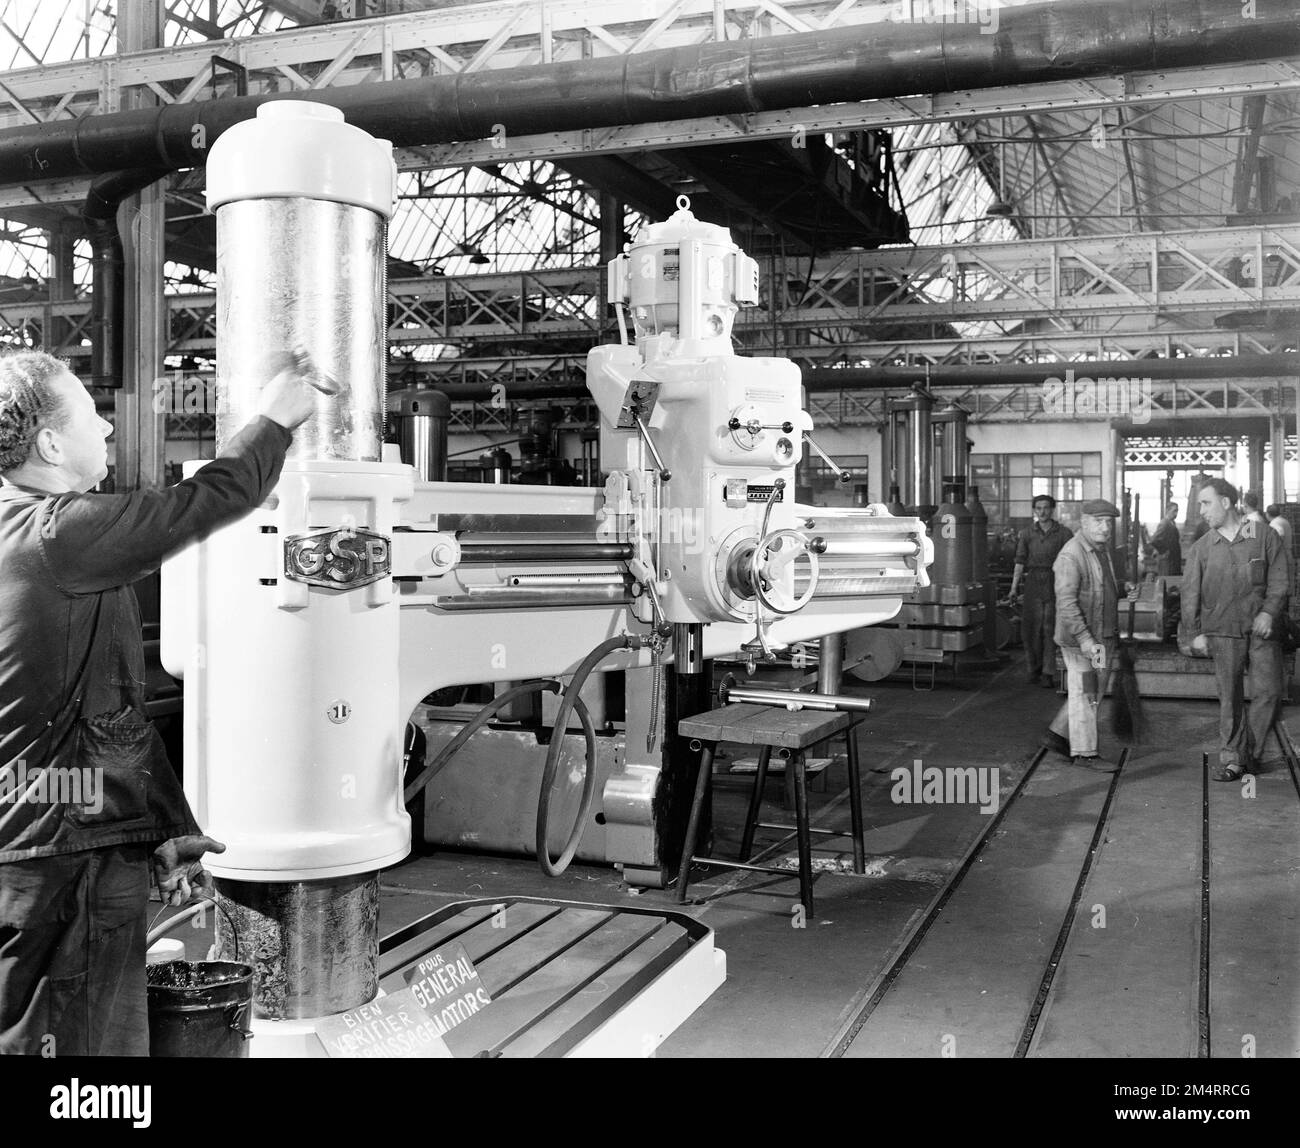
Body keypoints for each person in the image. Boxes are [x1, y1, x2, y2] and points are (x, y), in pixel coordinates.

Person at [0, 349, 314, 1056]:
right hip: (63, 855)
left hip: (51, 839)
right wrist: (274, 423)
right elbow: (197, 504)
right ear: (51, 444)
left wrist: (161, 829)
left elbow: (106, 712)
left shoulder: (27, 536)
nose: (110, 429)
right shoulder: (58, 535)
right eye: (91, 415)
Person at [1182, 478, 1289, 782]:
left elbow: (1281, 580)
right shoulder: (1203, 547)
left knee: (1268, 692)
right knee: (1229, 697)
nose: (1201, 510)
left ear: (1226, 502)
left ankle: (1249, 756)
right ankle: (1232, 759)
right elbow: (1190, 593)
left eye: (1206, 503)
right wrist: (1193, 632)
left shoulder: (1263, 536)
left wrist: (1269, 612)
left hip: (1261, 629)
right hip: (1222, 629)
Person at [1042, 499, 1132, 773]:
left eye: (1109, 522)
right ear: (1083, 523)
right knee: (1087, 693)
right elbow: (1067, 602)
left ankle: (1056, 735)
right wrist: (1085, 639)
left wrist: (1123, 588)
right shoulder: (1072, 555)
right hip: (1083, 640)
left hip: (1102, 637)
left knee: (1090, 691)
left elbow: (1100, 588)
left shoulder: (1100, 551)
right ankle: (1085, 753)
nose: (1105, 528)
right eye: (1099, 522)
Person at [1008, 494, 1071, 687]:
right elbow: (1020, 561)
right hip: (1033, 581)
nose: (1042, 512)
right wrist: (1013, 588)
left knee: (1049, 628)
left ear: (1052, 509)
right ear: (1034, 510)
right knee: (1030, 629)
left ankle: (1048, 672)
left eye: (1046, 508)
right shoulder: (1027, 534)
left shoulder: (1064, 533)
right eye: (1038, 508)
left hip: (1055, 581)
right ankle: (1033, 669)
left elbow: (1071, 562)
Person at [1149, 501, 1183, 577]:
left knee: (1172, 580)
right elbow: (1154, 540)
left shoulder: (1172, 523)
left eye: (1177, 511)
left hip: (1173, 559)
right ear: (1167, 511)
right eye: (1174, 511)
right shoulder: (1164, 523)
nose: (1176, 514)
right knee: (1166, 580)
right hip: (1167, 561)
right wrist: (1163, 551)